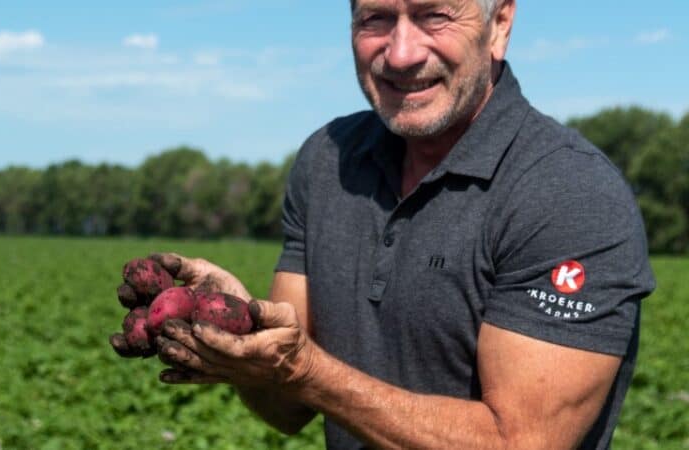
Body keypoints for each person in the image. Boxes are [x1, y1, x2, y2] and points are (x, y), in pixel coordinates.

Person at [149, 1, 655, 448]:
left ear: (499, 23)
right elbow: (286, 408)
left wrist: (305, 369)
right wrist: (243, 331)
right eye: (377, 18)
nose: (401, 53)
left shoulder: (567, 192)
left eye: (434, 15)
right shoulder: (328, 162)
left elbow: (521, 441)